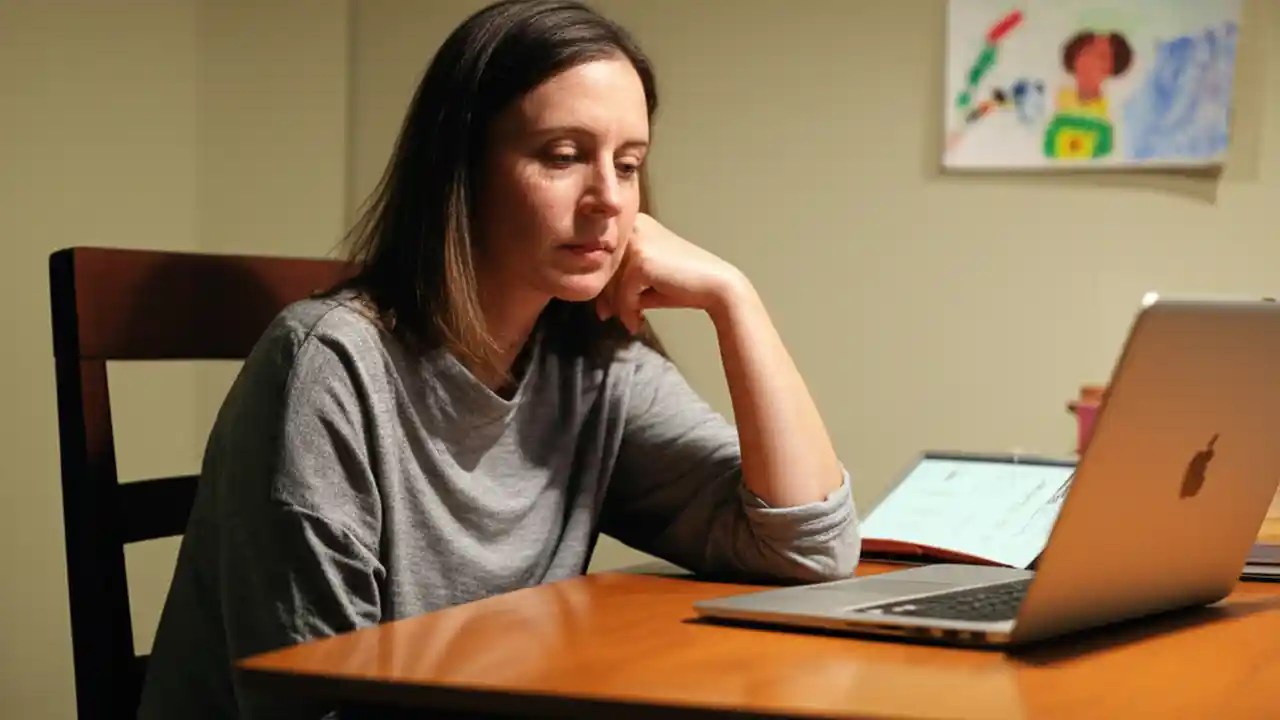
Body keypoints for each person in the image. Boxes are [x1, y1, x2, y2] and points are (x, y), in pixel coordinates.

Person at [138, 1, 859, 717]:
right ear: (462, 168)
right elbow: (309, 698)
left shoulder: (596, 364)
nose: (609, 199)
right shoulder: (329, 365)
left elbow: (808, 550)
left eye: (629, 163)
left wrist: (735, 299)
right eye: (564, 155)